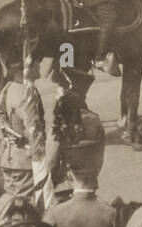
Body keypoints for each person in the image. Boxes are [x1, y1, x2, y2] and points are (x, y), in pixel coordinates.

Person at [44, 66, 106, 205]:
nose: (57, 96)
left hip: (64, 189)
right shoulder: (95, 120)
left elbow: (51, 162)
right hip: (89, 186)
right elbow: (99, 159)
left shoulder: (62, 122)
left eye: (60, 92)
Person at [0, 60, 46, 200]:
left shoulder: (10, 87)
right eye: (36, 63)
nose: (39, 66)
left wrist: (7, 130)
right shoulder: (25, 94)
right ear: (25, 69)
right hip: (25, 163)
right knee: (24, 208)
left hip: (10, 158)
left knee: (10, 202)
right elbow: (34, 128)